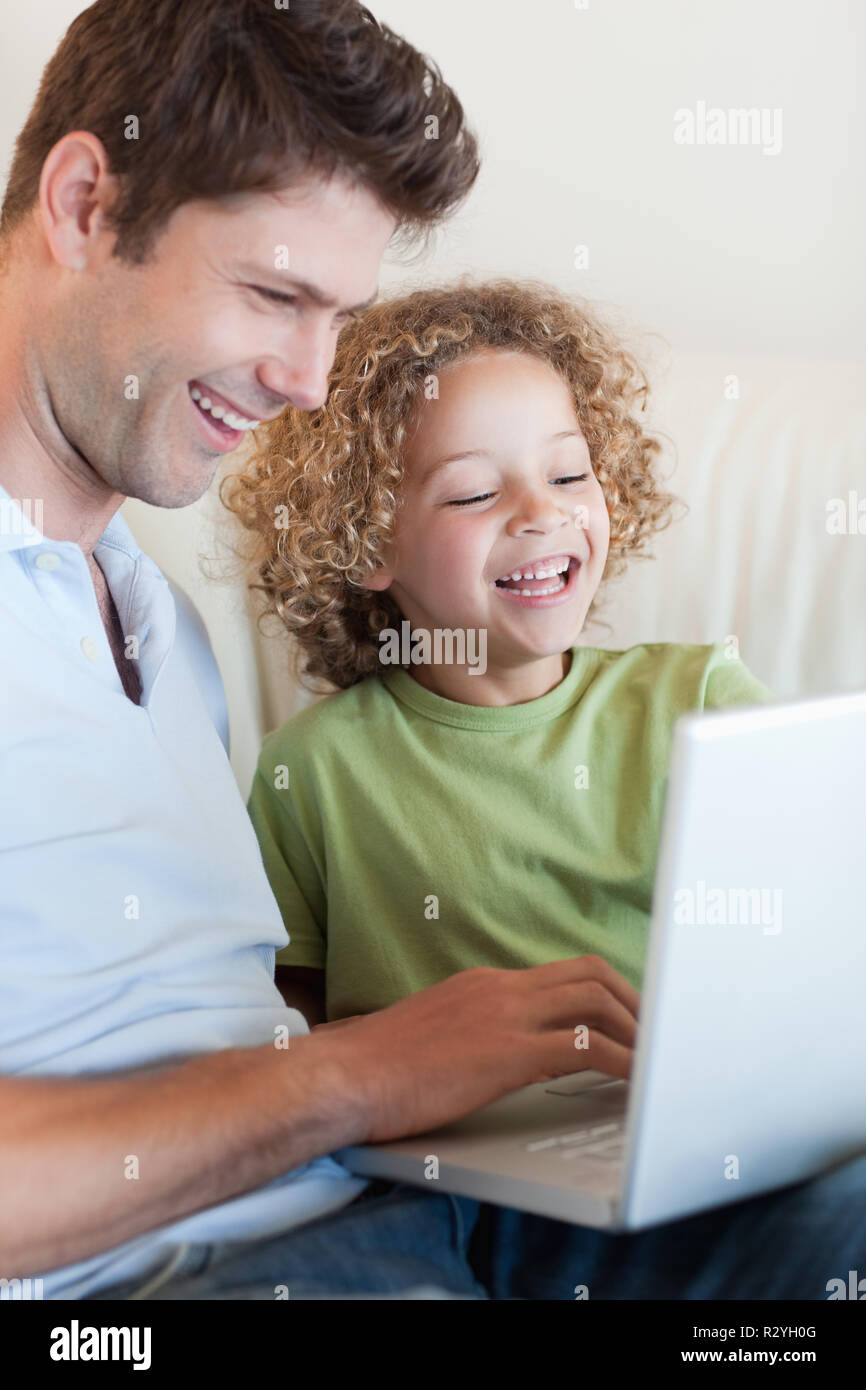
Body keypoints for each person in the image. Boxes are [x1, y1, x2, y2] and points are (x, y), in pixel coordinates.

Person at [1, 0, 863, 1303]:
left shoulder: (149, 619)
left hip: (413, 1201)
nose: (308, 377)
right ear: (79, 203)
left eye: (338, 313)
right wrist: (360, 1069)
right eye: (273, 293)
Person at [226, 279, 772, 1026]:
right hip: (437, 1142)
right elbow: (290, 1037)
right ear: (366, 541)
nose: (543, 512)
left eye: (569, 474)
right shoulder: (310, 771)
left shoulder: (702, 702)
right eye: (473, 493)